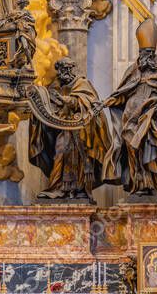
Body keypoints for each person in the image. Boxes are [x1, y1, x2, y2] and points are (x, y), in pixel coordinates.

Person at [103, 18, 157, 197]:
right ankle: (139, 185)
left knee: (155, 146)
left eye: (150, 53)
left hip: (154, 119)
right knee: (133, 150)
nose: (146, 57)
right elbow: (121, 94)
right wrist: (108, 101)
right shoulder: (132, 71)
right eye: (144, 52)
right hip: (131, 118)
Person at [29, 58, 110, 202]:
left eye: (64, 70)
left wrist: (65, 100)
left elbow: (88, 103)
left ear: (69, 70)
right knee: (60, 152)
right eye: (60, 71)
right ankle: (58, 188)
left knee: (74, 157)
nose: (61, 74)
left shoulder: (82, 84)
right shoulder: (55, 86)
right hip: (63, 129)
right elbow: (50, 109)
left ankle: (79, 190)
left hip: (82, 132)